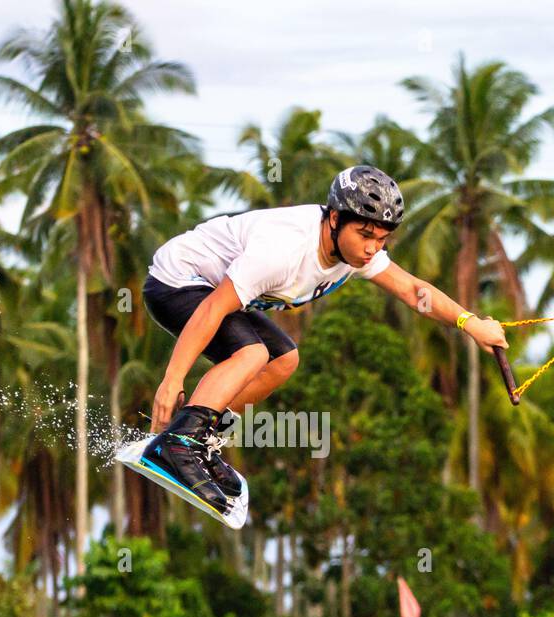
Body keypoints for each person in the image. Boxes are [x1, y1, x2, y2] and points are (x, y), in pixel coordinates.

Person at [138, 164, 509, 515]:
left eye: (381, 239)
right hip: (176, 281)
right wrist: (172, 381)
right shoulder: (283, 250)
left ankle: (198, 441)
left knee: (283, 359)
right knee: (252, 354)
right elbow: (211, 310)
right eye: (365, 236)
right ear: (334, 218)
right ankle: (178, 444)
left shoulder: (358, 254)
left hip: (210, 289)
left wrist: (470, 323)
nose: (372, 249)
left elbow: (413, 291)